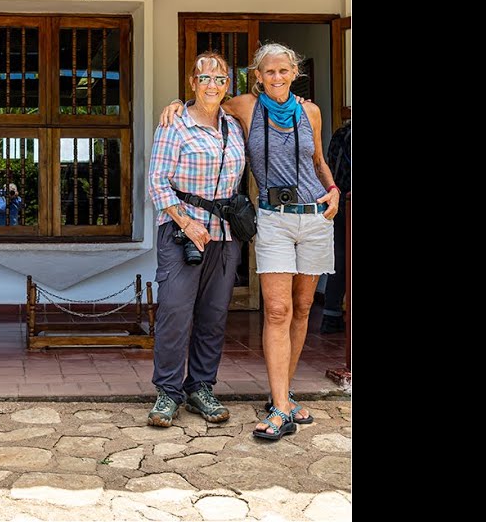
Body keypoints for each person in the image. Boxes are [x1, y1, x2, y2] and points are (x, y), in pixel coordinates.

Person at [159, 42, 339, 441]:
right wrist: (176, 103)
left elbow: (318, 161)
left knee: (302, 307)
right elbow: (205, 103)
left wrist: (333, 189)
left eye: (284, 71)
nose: (277, 77)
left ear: (295, 73)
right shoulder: (245, 107)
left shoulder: (310, 111)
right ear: (257, 76)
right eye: (269, 71)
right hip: (274, 218)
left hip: (315, 218)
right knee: (277, 310)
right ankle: (280, 407)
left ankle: (282, 394)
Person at [145, 51, 247, 428]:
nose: (212, 85)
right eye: (204, 78)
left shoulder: (234, 124)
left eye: (220, 79)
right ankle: (168, 391)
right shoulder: (175, 124)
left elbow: (271, 95)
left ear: (228, 85)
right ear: (192, 83)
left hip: (225, 233)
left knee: (213, 314)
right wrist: (187, 223)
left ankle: (200, 387)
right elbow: (157, 182)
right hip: (180, 232)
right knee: (175, 311)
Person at [321, 117, 351, 333]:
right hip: (347, 201)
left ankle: (331, 315)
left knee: (339, 257)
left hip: (337, 199)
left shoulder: (340, 134)